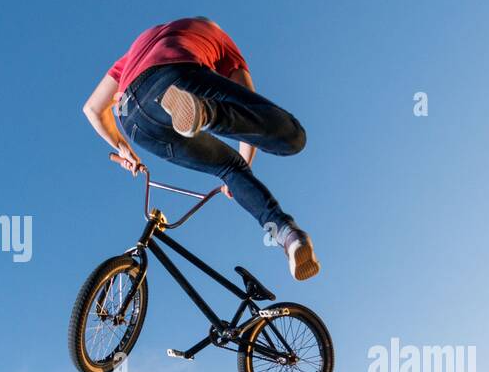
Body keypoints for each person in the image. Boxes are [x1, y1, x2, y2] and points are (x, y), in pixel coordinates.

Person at [82, 17, 319, 280]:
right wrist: (244, 170)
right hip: (175, 76)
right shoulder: (217, 37)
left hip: (134, 121)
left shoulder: (140, 44)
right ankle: (288, 235)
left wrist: (122, 148)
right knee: (291, 136)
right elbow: (250, 117)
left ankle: (290, 238)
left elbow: (93, 109)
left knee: (228, 167)